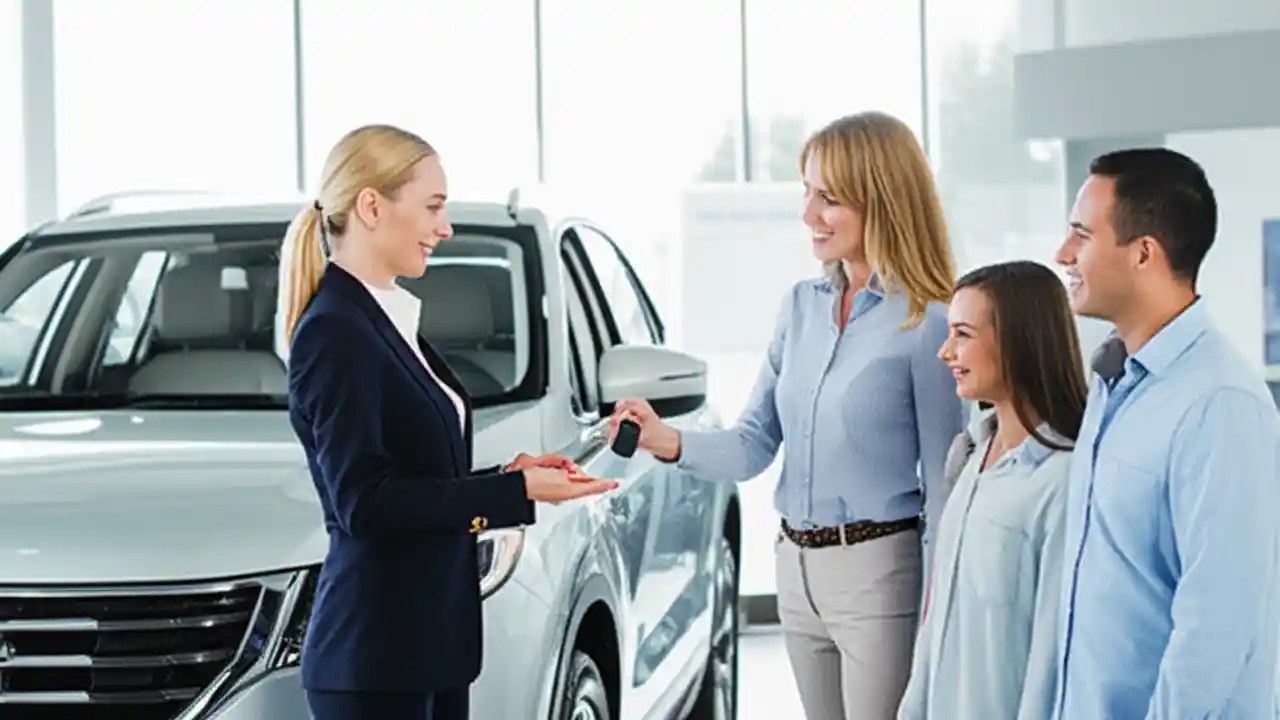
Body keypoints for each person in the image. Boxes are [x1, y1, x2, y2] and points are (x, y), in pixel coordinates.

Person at [609, 111, 965, 720]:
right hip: (794, 571)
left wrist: (943, 611)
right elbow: (753, 444)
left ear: (880, 199)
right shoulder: (800, 307)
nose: (809, 216)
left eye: (828, 198)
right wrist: (666, 439)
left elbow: (945, 486)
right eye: (807, 193)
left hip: (881, 572)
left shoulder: (928, 322)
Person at [278, 124, 617, 720]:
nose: (446, 227)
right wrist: (514, 493)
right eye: (433, 207)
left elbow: (412, 470)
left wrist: (511, 474)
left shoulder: (383, 319)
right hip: (377, 659)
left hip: (424, 651)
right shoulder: (337, 331)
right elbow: (366, 502)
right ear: (371, 206)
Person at [1053, 147, 1280, 719]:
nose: (1063, 254)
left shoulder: (1219, 404)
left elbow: (1217, 624)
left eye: (1082, 234)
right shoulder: (1112, 386)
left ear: (1144, 253)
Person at [897, 260, 1087, 720]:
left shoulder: (1060, 482)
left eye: (963, 334)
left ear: (1019, 343)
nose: (945, 352)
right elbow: (937, 618)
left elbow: (1051, 658)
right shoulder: (969, 458)